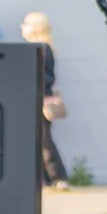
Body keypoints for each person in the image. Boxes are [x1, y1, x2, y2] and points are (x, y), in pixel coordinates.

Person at [18, 11, 69, 188]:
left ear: (37, 28)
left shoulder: (42, 48)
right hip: (33, 100)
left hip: (40, 101)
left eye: (26, 23)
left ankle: (58, 177)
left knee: (44, 140)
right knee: (36, 139)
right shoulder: (35, 48)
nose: (22, 27)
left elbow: (46, 77)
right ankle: (44, 178)